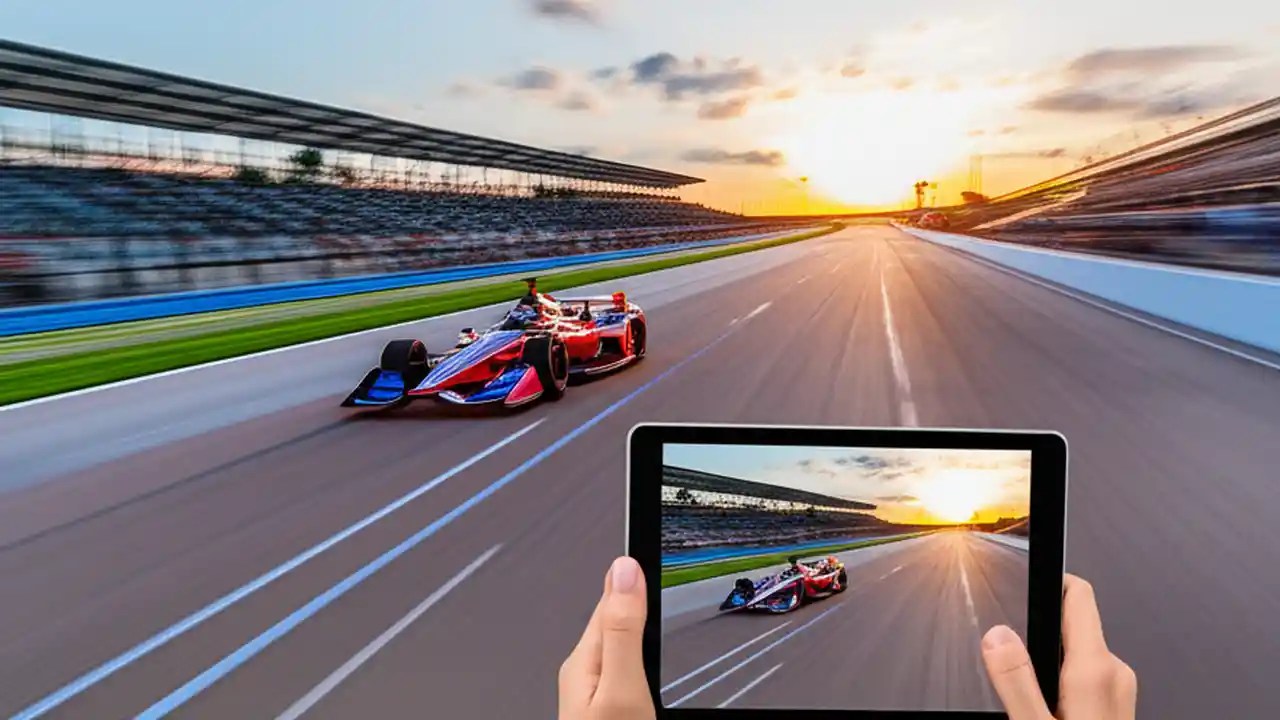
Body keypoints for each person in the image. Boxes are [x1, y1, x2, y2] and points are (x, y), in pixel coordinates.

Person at [558, 557, 1136, 720]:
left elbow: (814, 579)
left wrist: (813, 580)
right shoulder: (791, 574)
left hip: (808, 580)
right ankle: (759, 590)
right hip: (790, 578)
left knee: (796, 583)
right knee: (760, 587)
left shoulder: (822, 578)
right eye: (803, 574)